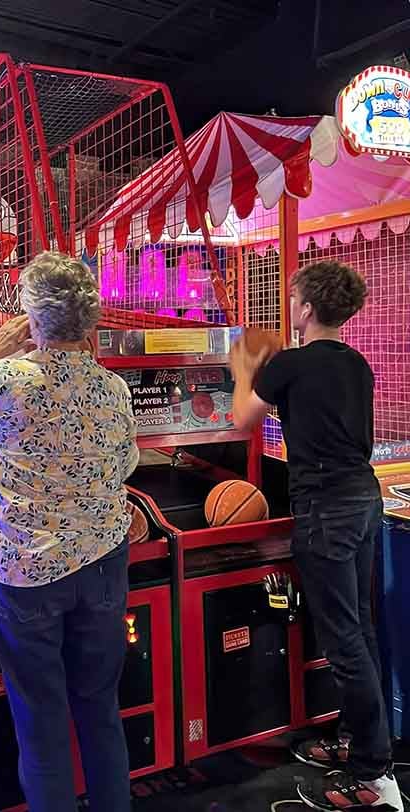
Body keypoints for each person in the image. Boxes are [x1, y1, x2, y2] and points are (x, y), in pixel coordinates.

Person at [0, 251, 138, 812]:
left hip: (24, 574)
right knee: (98, 706)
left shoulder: (3, 381)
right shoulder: (112, 389)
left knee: (40, 716)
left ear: (31, 316)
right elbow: (123, 465)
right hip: (103, 562)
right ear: (90, 318)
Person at [230, 260, 401, 812]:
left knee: (345, 640)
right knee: (361, 630)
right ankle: (358, 741)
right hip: (362, 497)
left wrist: (244, 367)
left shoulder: (290, 366)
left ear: (305, 309)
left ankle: (374, 774)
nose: (290, 304)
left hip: (325, 508)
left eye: (293, 296)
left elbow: (239, 421)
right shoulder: (357, 364)